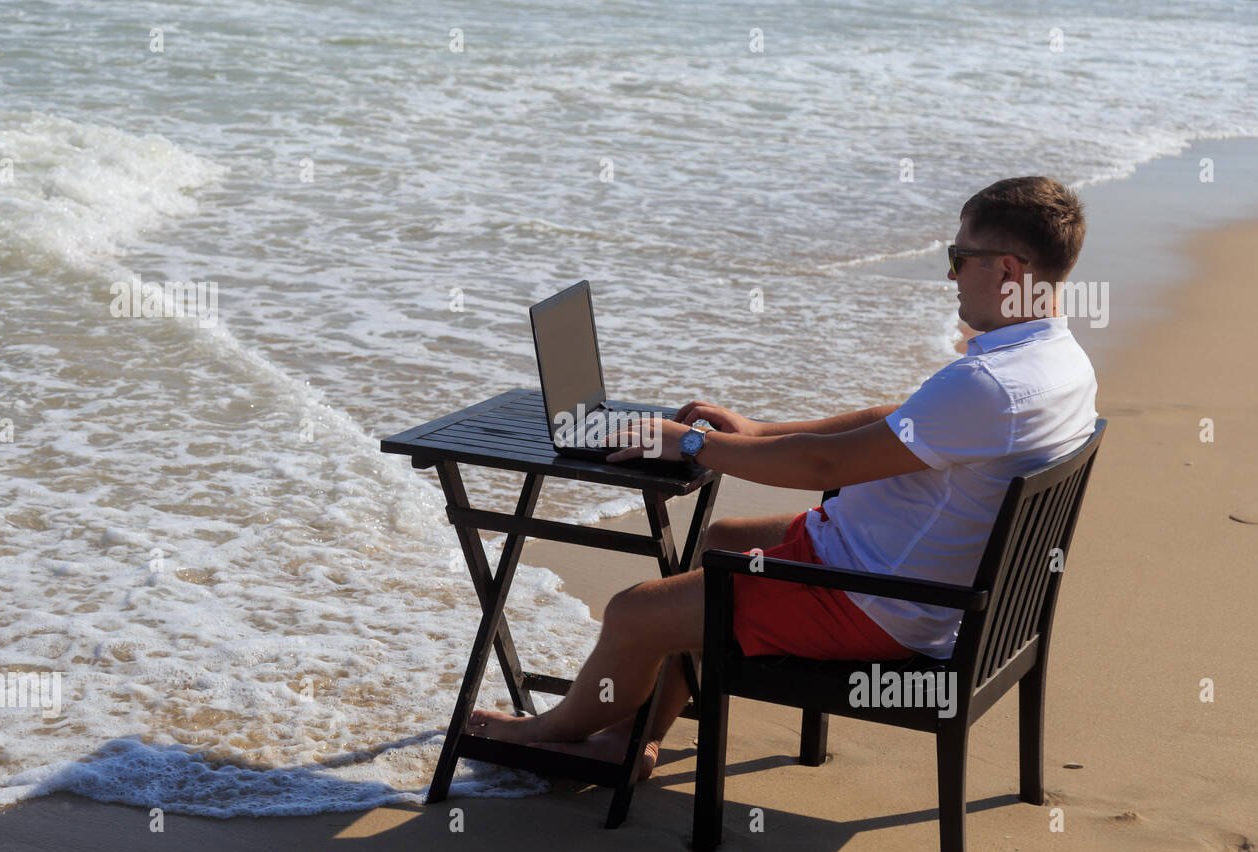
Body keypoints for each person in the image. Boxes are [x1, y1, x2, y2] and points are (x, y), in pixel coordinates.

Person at [469, 176, 1099, 776]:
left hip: (876, 601)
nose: (951, 274)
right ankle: (629, 740)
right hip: (901, 572)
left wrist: (691, 441)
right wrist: (759, 431)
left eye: (960, 256)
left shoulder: (987, 386)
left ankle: (545, 733)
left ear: (1009, 271)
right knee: (721, 541)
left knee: (634, 613)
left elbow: (820, 468)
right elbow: (895, 420)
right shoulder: (1057, 362)